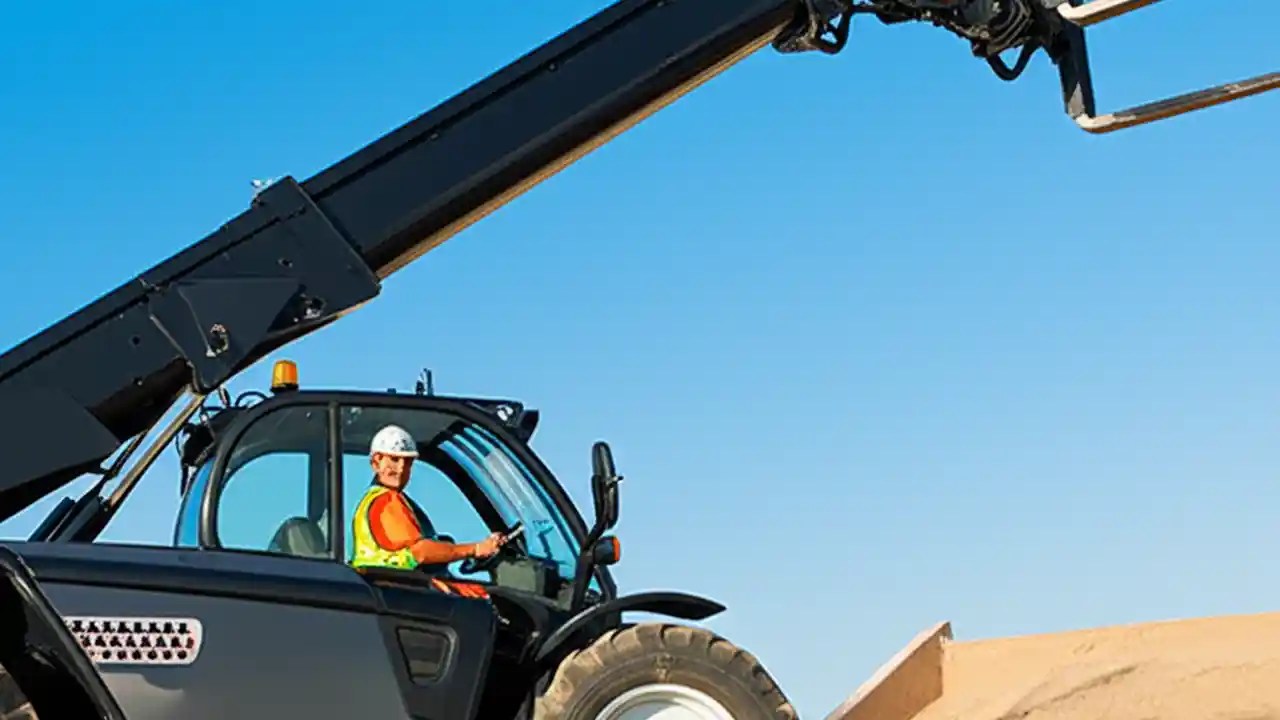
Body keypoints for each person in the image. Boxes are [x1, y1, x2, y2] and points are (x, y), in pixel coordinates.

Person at [350, 424, 505, 571]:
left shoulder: (374, 500)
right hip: (393, 585)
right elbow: (421, 552)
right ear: (376, 462)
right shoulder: (387, 501)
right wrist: (475, 549)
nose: (402, 469)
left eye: (408, 462)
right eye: (395, 460)